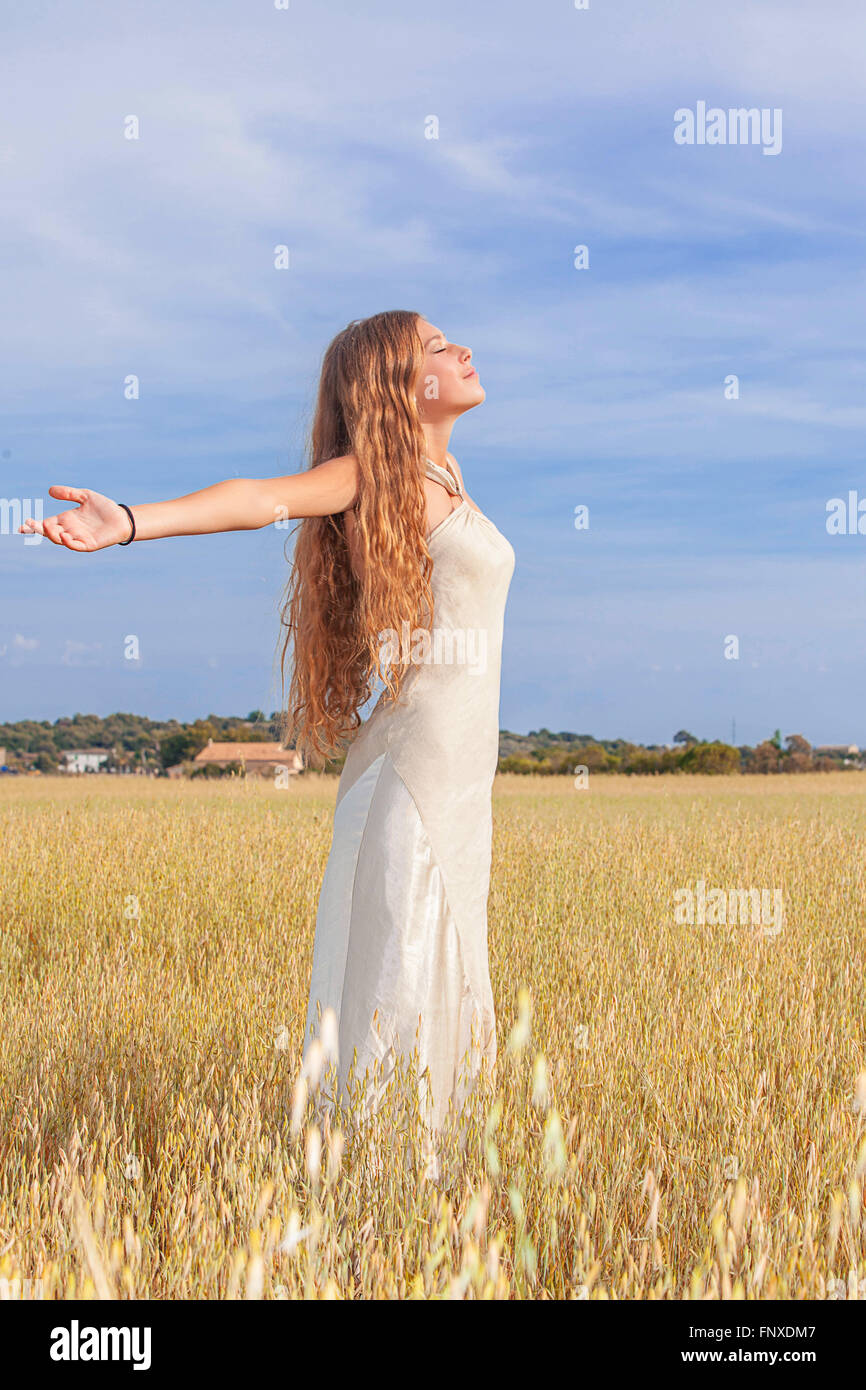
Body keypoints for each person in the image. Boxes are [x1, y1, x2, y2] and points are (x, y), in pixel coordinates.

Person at [20, 309, 515, 1171]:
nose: (463, 350)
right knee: (402, 957)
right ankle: (385, 1178)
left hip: (460, 771)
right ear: (395, 385)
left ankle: (436, 1169)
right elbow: (259, 501)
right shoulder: (373, 474)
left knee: (446, 951)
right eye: (438, 347)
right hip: (413, 769)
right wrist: (130, 520)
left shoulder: (449, 476)